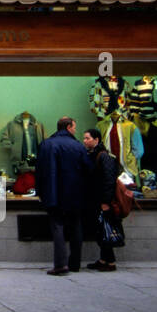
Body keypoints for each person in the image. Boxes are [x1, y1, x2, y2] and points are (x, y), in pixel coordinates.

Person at [35, 116, 88, 275]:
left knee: (57, 227)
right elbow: (87, 169)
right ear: (69, 127)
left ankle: (60, 264)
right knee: (76, 226)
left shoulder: (47, 144)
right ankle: (75, 263)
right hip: (75, 193)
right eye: (74, 127)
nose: (75, 130)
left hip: (53, 193)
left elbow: (40, 171)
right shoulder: (78, 146)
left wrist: (40, 192)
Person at [82, 127, 121, 271]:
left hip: (102, 201)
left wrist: (106, 201)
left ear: (96, 139)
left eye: (87, 138)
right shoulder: (92, 154)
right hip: (95, 199)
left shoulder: (103, 156)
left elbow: (109, 180)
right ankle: (104, 259)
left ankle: (110, 262)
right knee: (100, 230)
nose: (84, 141)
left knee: (105, 229)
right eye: (84, 138)